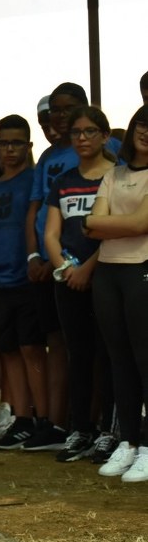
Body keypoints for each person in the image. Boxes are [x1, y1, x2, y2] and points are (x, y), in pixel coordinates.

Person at [0, 115, 62, 451]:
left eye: (17, 143)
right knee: (7, 350)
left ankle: (45, 420)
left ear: (29, 146)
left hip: (28, 279)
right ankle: (22, 419)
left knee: (32, 349)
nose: (10, 149)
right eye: (5, 143)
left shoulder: (34, 181)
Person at [45, 106, 116, 462]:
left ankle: (109, 430)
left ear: (105, 136)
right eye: (77, 133)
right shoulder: (63, 180)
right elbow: (51, 233)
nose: (83, 138)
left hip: (108, 275)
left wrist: (88, 268)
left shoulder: (117, 176)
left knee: (109, 355)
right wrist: (67, 268)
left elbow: (117, 232)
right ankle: (80, 429)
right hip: (68, 280)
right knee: (78, 355)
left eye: (90, 132)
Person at [83, 104, 148, 481]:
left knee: (144, 358)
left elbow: (141, 222)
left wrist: (104, 223)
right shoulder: (114, 174)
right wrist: (114, 224)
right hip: (108, 272)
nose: (146, 131)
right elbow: (91, 223)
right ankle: (128, 442)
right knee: (118, 358)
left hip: (141, 269)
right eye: (142, 123)